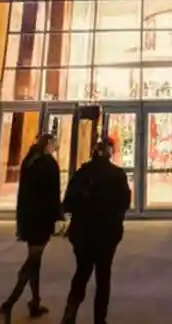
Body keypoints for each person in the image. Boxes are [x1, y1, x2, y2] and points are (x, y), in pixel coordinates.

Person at [61, 137, 132, 324]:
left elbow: (68, 203)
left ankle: (70, 313)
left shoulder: (81, 173)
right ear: (109, 154)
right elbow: (125, 203)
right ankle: (99, 319)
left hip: (83, 233)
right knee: (103, 277)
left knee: (81, 272)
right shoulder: (117, 175)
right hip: (106, 234)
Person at [0, 134, 63, 322]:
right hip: (41, 220)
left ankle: (35, 303)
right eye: (54, 145)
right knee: (32, 263)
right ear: (49, 145)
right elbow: (53, 195)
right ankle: (8, 304)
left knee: (36, 262)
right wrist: (58, 218)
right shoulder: (49, 165)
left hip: (28, 218)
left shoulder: (29, 162)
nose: (55, 148)